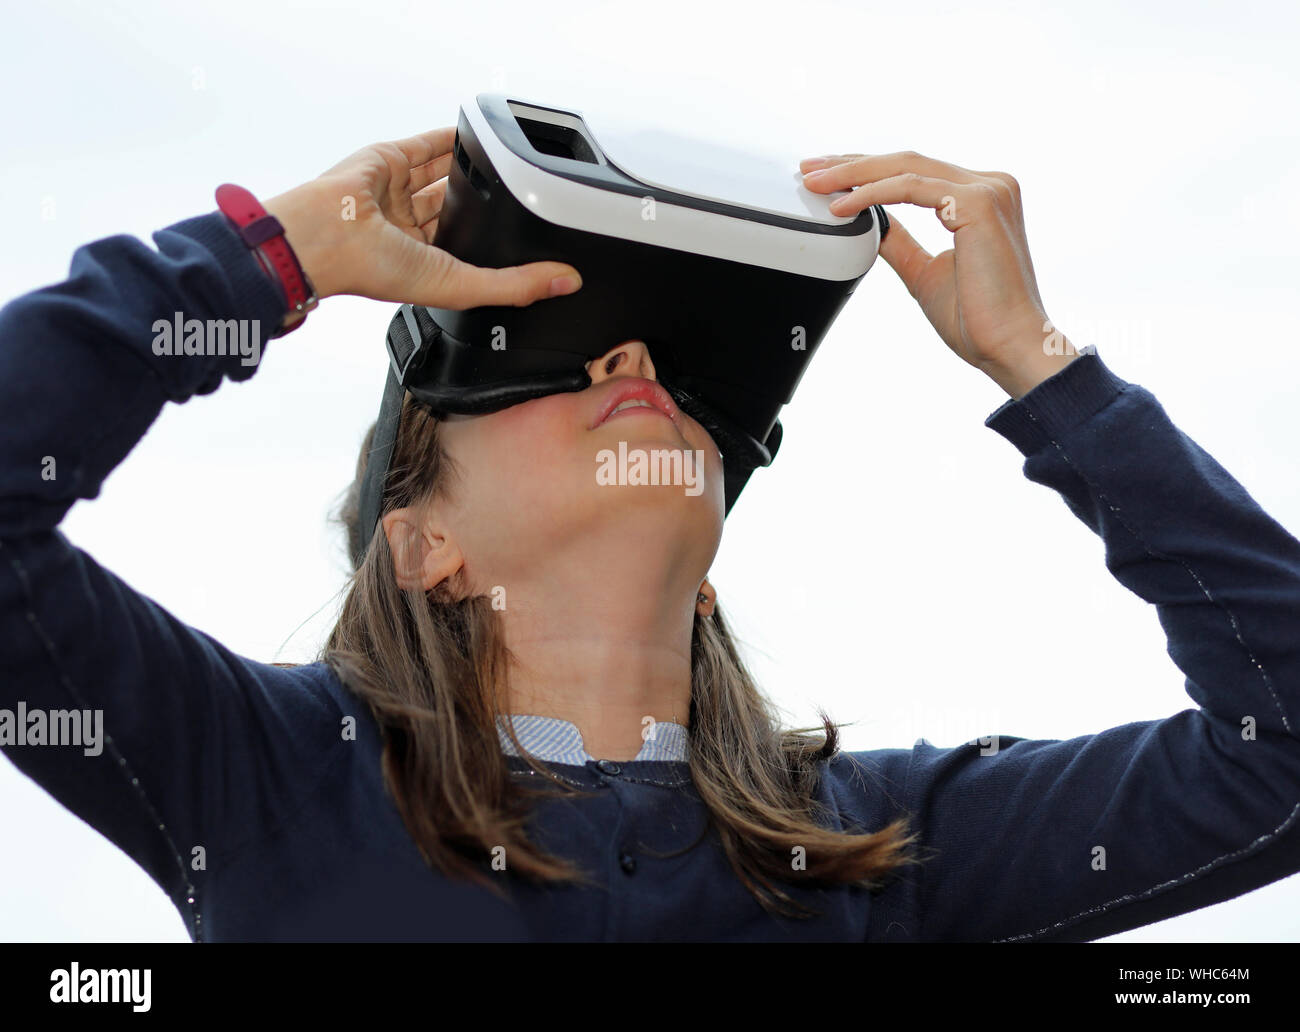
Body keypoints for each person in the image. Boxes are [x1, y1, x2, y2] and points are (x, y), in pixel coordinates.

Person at [2, 129, 1297, 942]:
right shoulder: (269, 777)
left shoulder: (878, 848)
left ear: (711, 567)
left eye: (666, 373)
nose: (632, 360)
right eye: (543, 365)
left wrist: (1042, 365)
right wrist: (265, 263)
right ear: (422, 548)